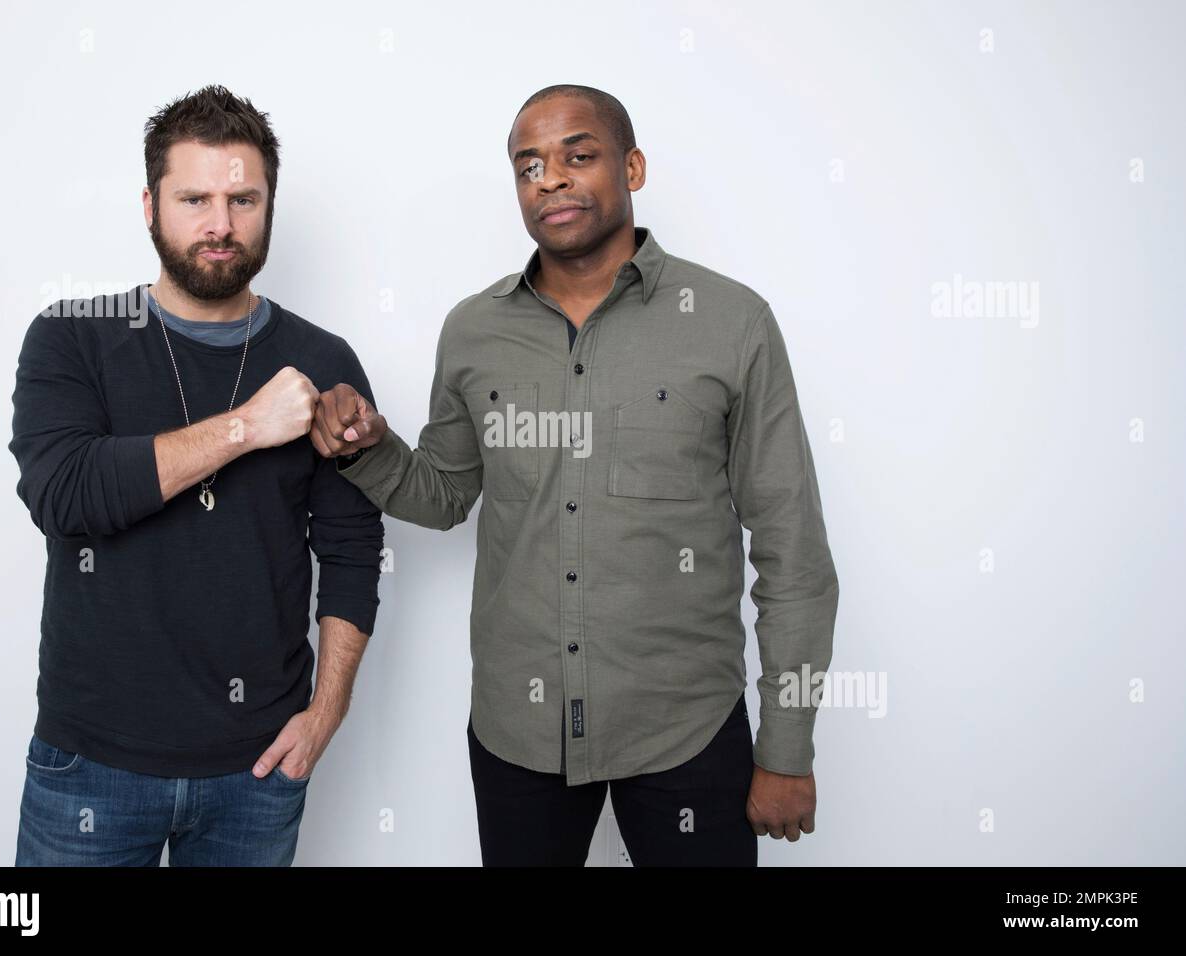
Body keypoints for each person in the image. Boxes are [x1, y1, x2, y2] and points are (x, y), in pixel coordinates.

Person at [312, 84, 840, 865]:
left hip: (686, 732)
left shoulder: (733, 324)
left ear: (632, 166)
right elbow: (443, 494)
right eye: (529, 165)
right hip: (517, 733)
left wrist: (787, 747)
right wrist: (365, 445)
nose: (550, 178)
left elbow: (793, 552)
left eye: (577, 155)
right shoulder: (473, 331)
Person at [9, 85, 383, 866]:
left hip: (257, 771)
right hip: (93, 764)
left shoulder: (324, 362)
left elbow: (352, 550)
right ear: (150, 205)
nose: (220, 224)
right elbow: (67, 494)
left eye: (244, 199)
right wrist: (248, 426)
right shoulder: (71, 339)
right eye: (195, 199)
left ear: (270, 203)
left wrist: (326, 714)